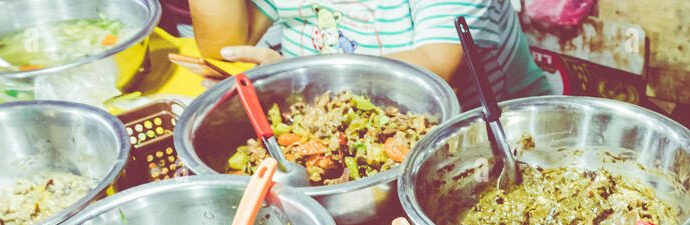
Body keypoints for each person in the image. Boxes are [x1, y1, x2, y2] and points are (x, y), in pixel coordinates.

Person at [188, 0, 551, 105]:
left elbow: (435, 66)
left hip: (485, 129)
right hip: (338, 106)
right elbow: (226, 43)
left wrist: (299, 74)